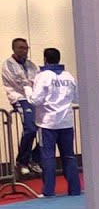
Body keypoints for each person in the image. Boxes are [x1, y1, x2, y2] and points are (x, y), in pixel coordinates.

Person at [23, 47, 80, 198]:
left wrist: (28, 88)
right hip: (66, 122)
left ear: (45, 59)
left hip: (47, 123)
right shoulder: (69, 76)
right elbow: (77, 98)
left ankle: (49, 191)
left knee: (47, 157)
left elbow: (35, 100)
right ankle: (74, 189)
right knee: (69, 156)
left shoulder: (43, 76)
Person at [3, 38, 41, 177]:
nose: (24, 50)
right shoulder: (8, 64)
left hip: (34, 98)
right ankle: (22, 162)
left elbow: (38, 81)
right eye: (21, 48)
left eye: (26, 48)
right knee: (30, 129)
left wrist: (31, 84)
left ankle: (35, 159)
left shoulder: (31, 65)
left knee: (47, 129)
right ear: (14, 48)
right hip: (20, 99)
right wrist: (30, 84)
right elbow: (20, 84)